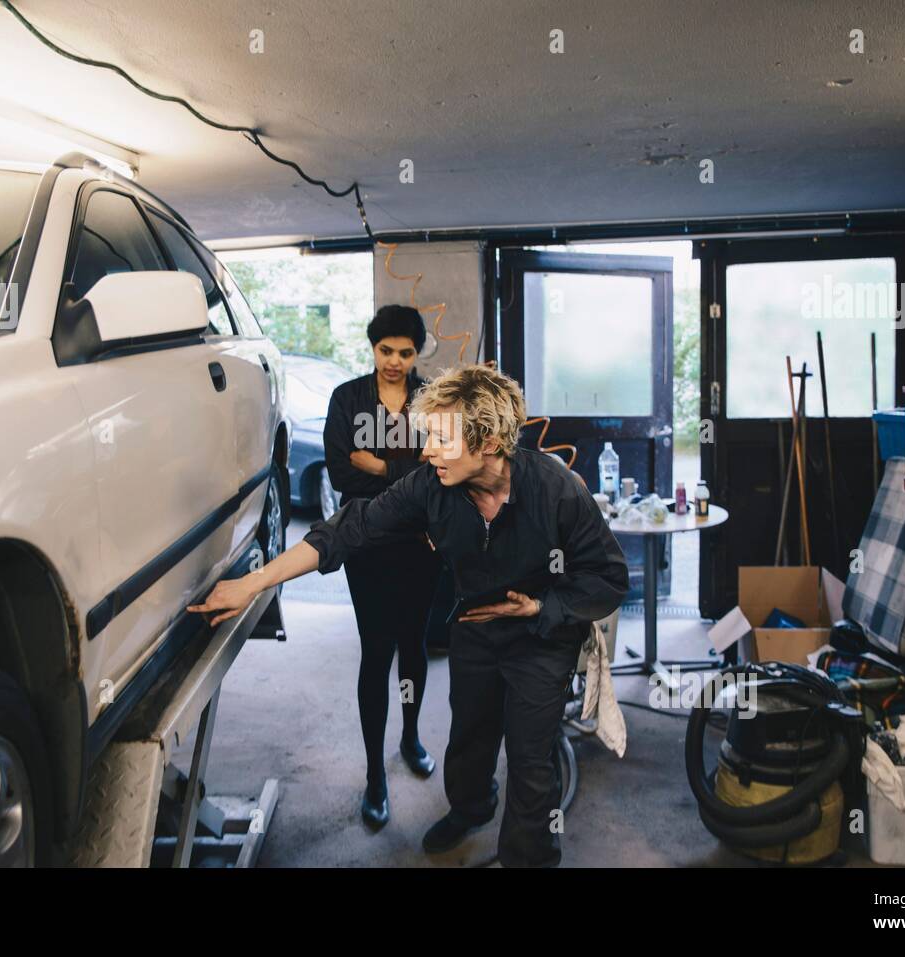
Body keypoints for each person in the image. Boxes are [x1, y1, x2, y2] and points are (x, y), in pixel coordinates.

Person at [190, 364, 629, 867]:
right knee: (469, 740)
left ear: (488, 443)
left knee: (532, 764)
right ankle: (470, 809)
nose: (426, 450)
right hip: (475, 628)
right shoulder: (431, 486)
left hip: (542, 636)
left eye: (441, 439)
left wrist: (542, 606)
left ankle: (530, 858)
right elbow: (347, 529)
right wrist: (254, 582)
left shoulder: (556, 489)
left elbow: (608, 576)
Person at [320, 304, 441, 828]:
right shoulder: (347, 398)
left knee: (414, 645)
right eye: (385, 350)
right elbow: (340, 472)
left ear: (417, 353)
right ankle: (375, 774)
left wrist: (379, 464)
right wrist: (406, 469)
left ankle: (410, 737)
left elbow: (439, 471)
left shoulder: (432, 399)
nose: (394, 361)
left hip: (420, 544)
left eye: (405, 353)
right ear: (372, 348)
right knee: (376, 652)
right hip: (367, 542)